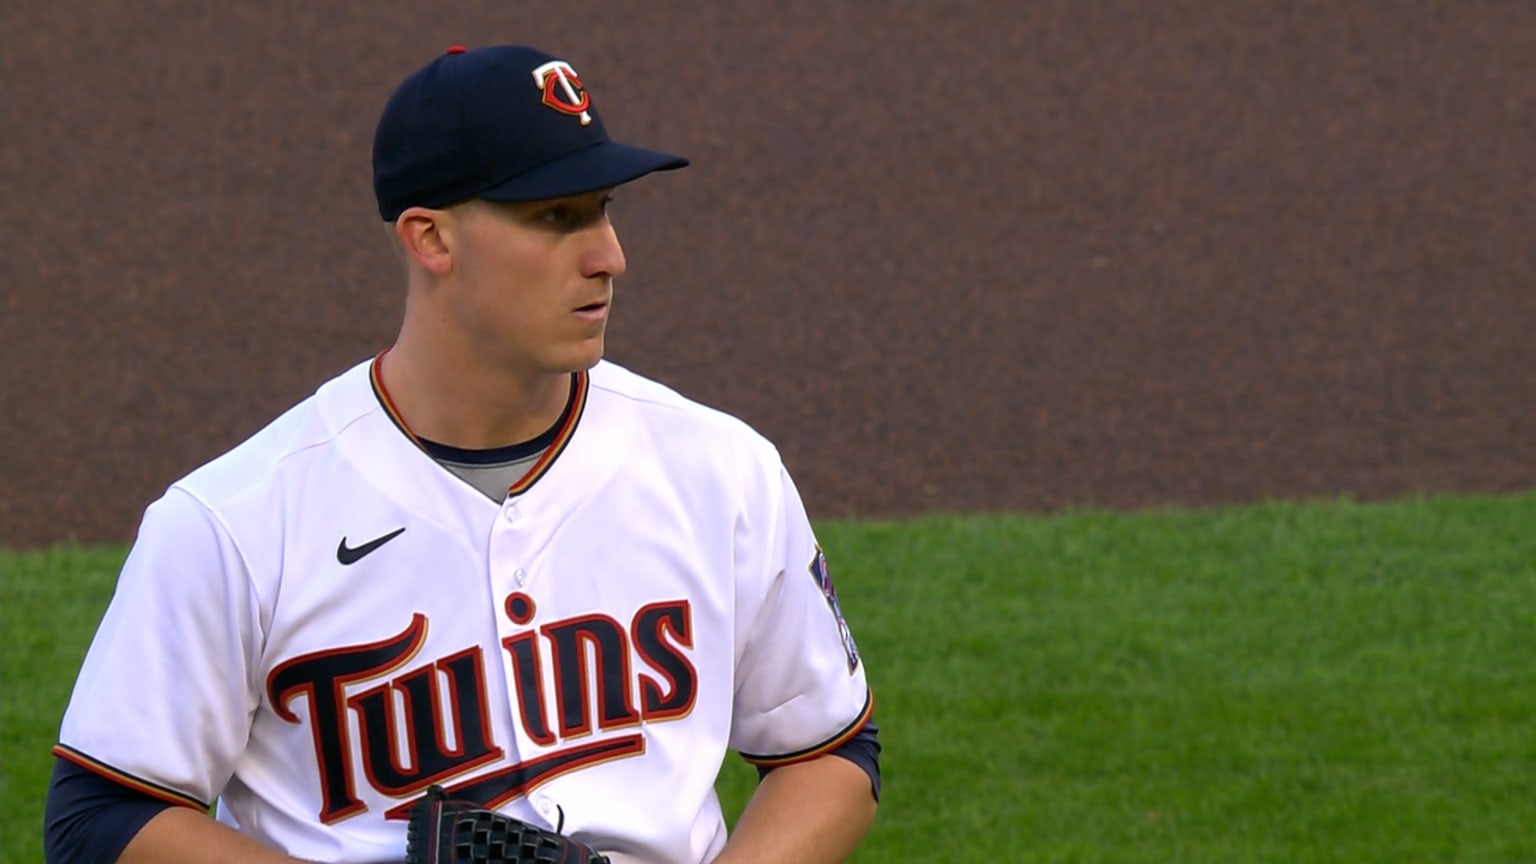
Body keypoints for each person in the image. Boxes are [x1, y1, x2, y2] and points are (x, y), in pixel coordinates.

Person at [44, 43, 880, 864]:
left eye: (604, 209)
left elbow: (829, 750)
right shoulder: (236, 522)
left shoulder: (720, 470)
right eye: (556, 218)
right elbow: (101, 816)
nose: (608, 257)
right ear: (430, 238)